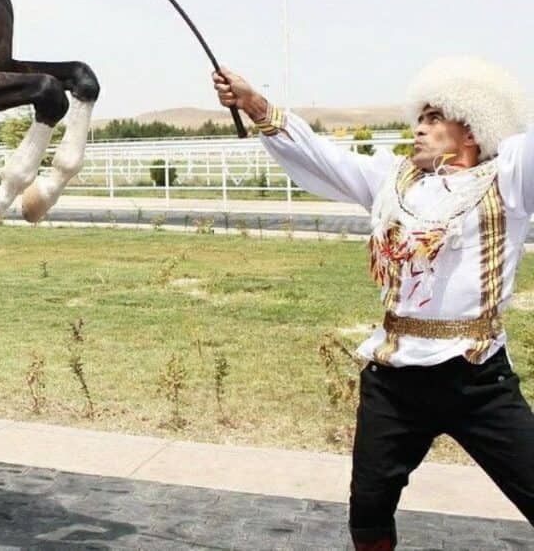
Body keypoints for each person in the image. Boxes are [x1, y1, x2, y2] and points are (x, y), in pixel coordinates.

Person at [214, 56, 534, 551]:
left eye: (433, 119)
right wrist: (254, 102)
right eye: (419, 119)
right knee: (368, 507)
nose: (420, 129)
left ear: (471, 130)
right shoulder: (393, 180)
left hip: (477, 377)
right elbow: (323, 158)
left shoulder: (509, 180)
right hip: (394, 380)